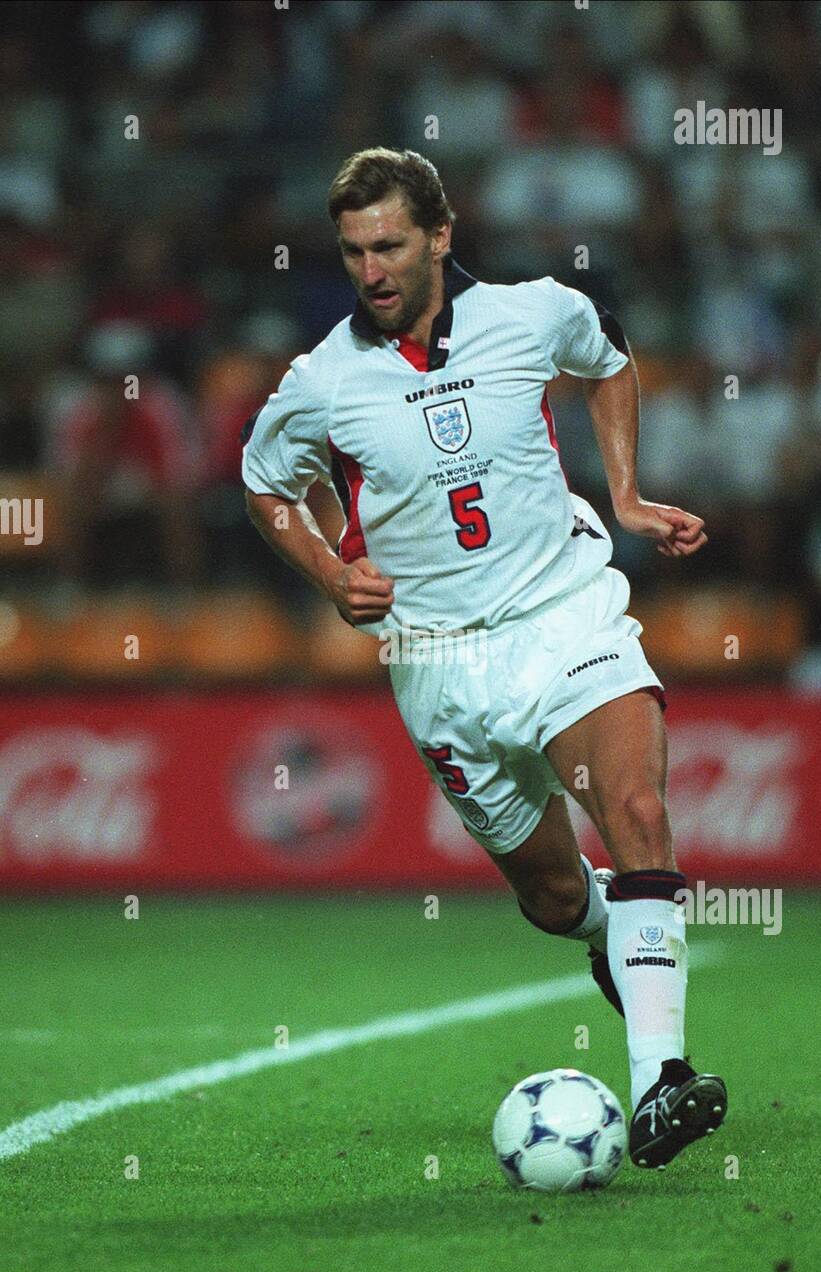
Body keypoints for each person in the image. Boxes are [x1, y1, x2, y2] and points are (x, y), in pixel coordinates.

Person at [242, 148, 726, 1169]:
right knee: (552, 899)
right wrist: (331, 574)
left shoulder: (532, 312)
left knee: (635, 809)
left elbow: (605, 357)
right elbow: (265, 485)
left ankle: (660, 1081)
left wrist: (627, 496)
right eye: (352, 250)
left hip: (563, 617)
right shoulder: (321, 382)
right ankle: (609, 933)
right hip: (437, 664)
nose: (370, 268)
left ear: (438, 235)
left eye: (388, 244)